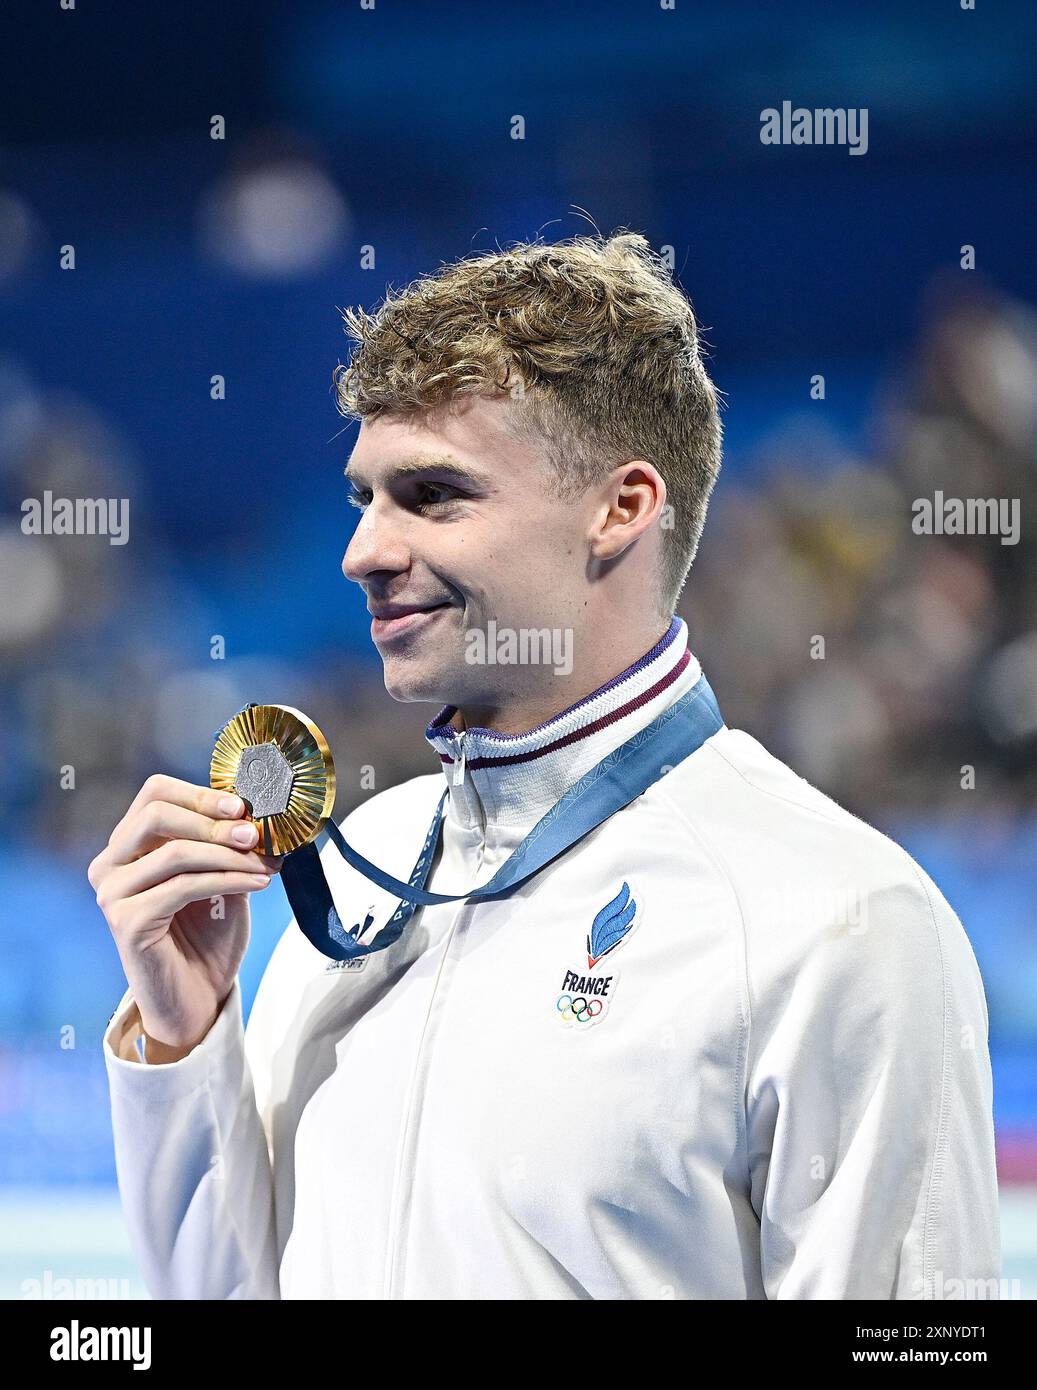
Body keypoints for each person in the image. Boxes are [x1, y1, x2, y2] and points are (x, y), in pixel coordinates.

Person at [94, 232, 1000, 1299]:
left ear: (617, 509)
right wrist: (183, 1031)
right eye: (363, 497)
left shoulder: (838, 918)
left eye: (433, 495)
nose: (364, 552)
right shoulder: (356, 874)